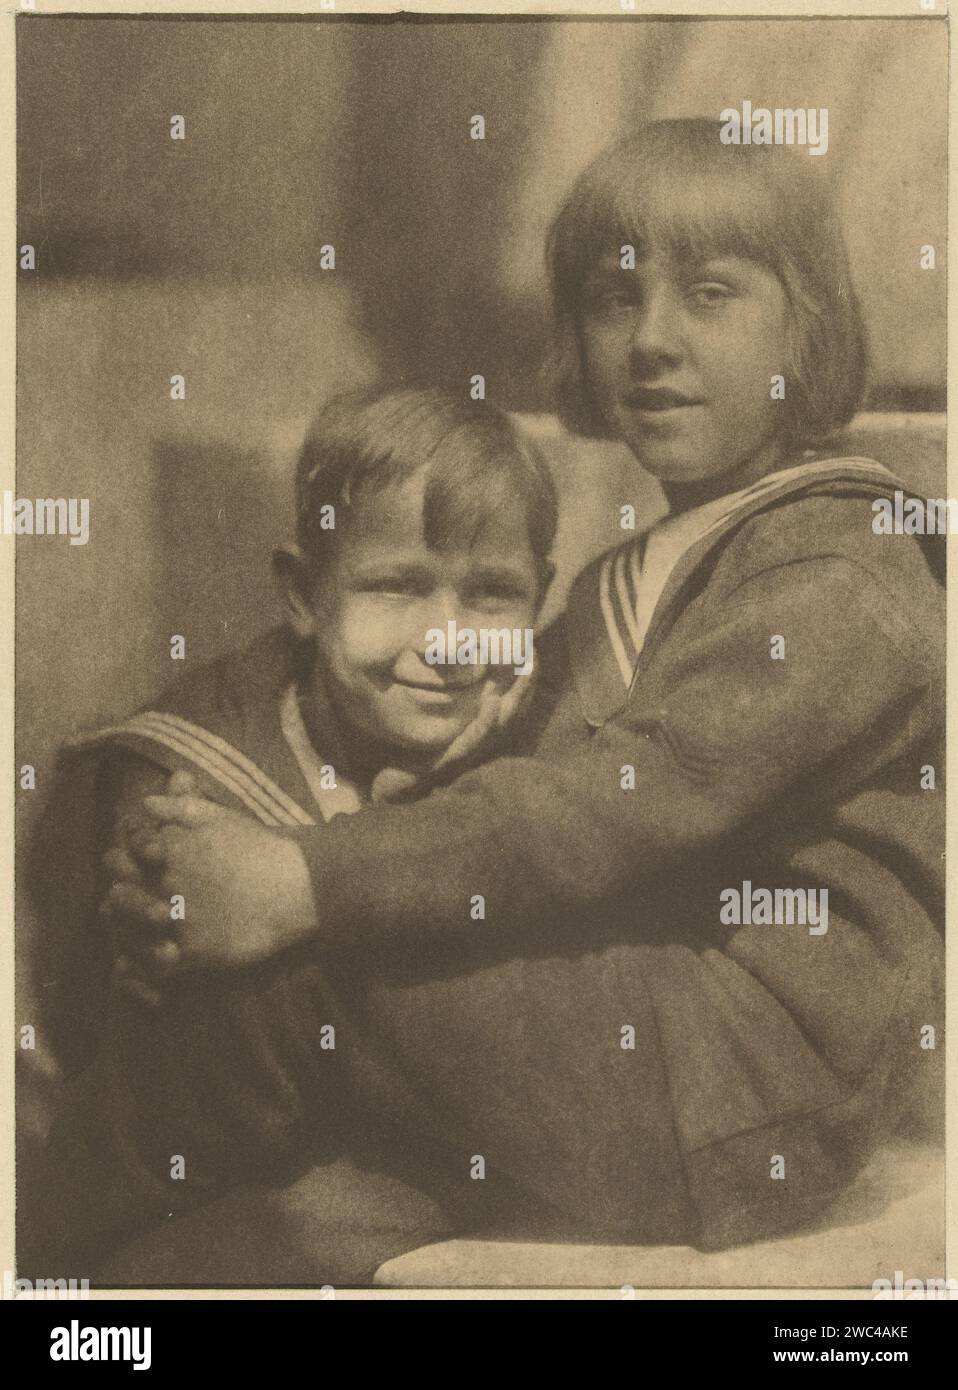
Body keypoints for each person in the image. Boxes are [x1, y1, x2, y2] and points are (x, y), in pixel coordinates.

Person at [41, 119, 946, 1282]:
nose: (653, 341)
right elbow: (497, 762)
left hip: (741, 1089)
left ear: (806, 326)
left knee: (289, 974)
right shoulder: (660, 559)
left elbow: (603, 807)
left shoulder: (841, 570)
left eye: (710, 294)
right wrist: (204, 860)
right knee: (239, 1226)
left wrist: (297, 879)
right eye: (615, 300)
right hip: (625, 1038)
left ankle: (33, 1248)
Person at [21, 386, 561, 1279]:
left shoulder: (541, 756)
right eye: (397, 586)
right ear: (305, 594)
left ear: (539, 605)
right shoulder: (179, 786)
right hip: (169, 1194)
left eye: (493, 597)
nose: (452, 641)